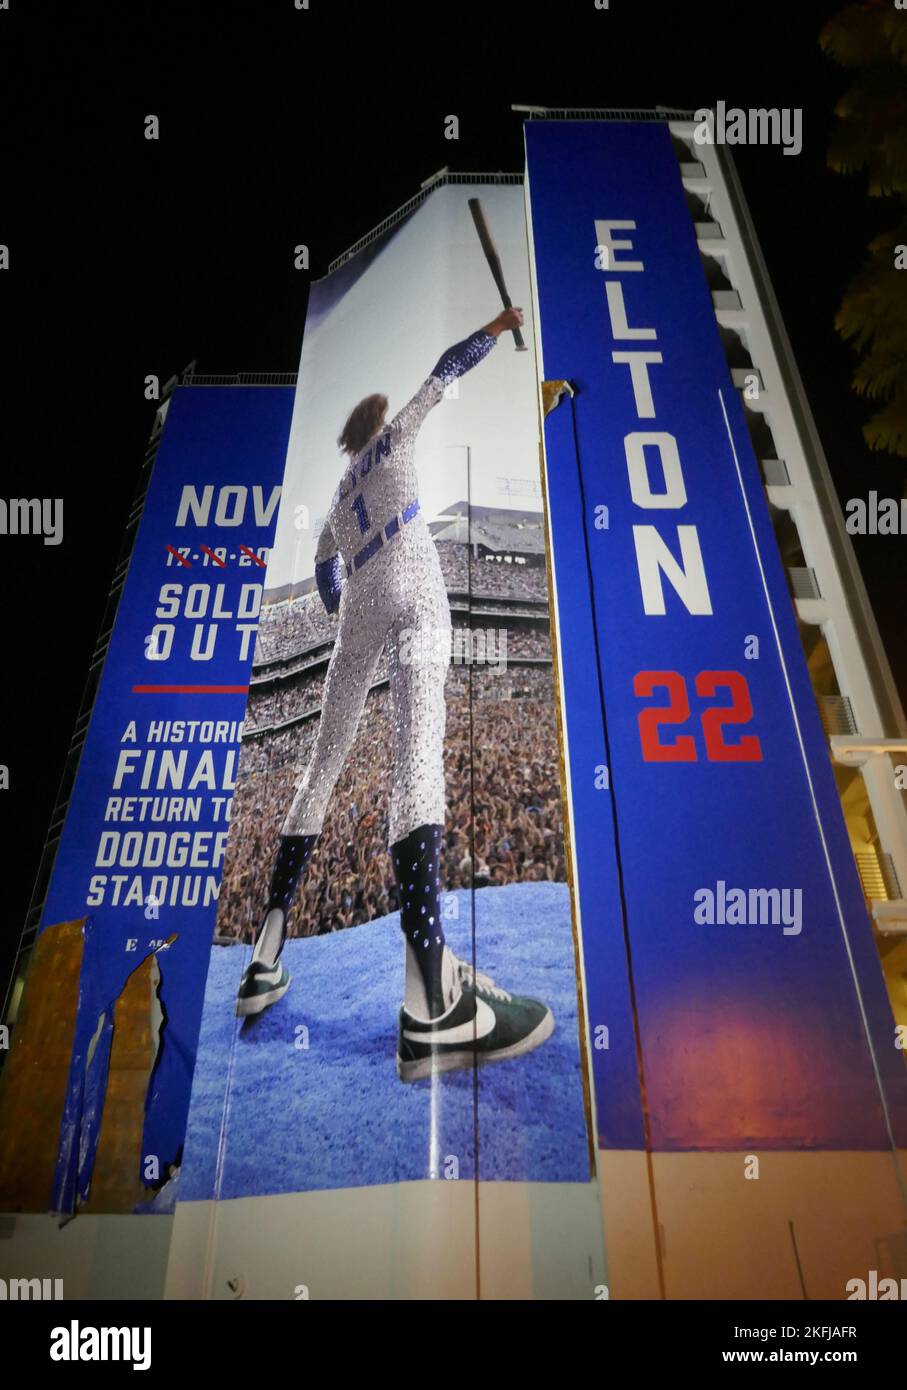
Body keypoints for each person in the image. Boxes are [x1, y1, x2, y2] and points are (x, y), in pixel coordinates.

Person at [235, 308, 554, 1082]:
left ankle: (263, 958)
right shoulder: (397, 437)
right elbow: (448, 365)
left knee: (317, 773)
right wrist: (497, 323)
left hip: (361, 602)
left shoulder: (340, 492)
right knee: (415, 755)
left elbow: (320, 575)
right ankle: (429, 1000)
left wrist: (347, 614)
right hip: (410, 578)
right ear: (376, 421)